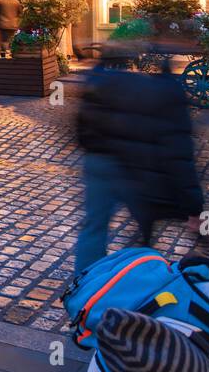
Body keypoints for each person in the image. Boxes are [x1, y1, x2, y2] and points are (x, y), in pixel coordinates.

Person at [73, 50, 202, 272]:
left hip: (99, 161)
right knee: (146, 228)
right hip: (136, 169)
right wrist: (193, 207)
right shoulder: (168, 94)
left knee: (95, 226)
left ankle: (85, 284)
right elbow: (178, 153)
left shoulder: (99, 82)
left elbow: (81, 128)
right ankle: (140, 280)